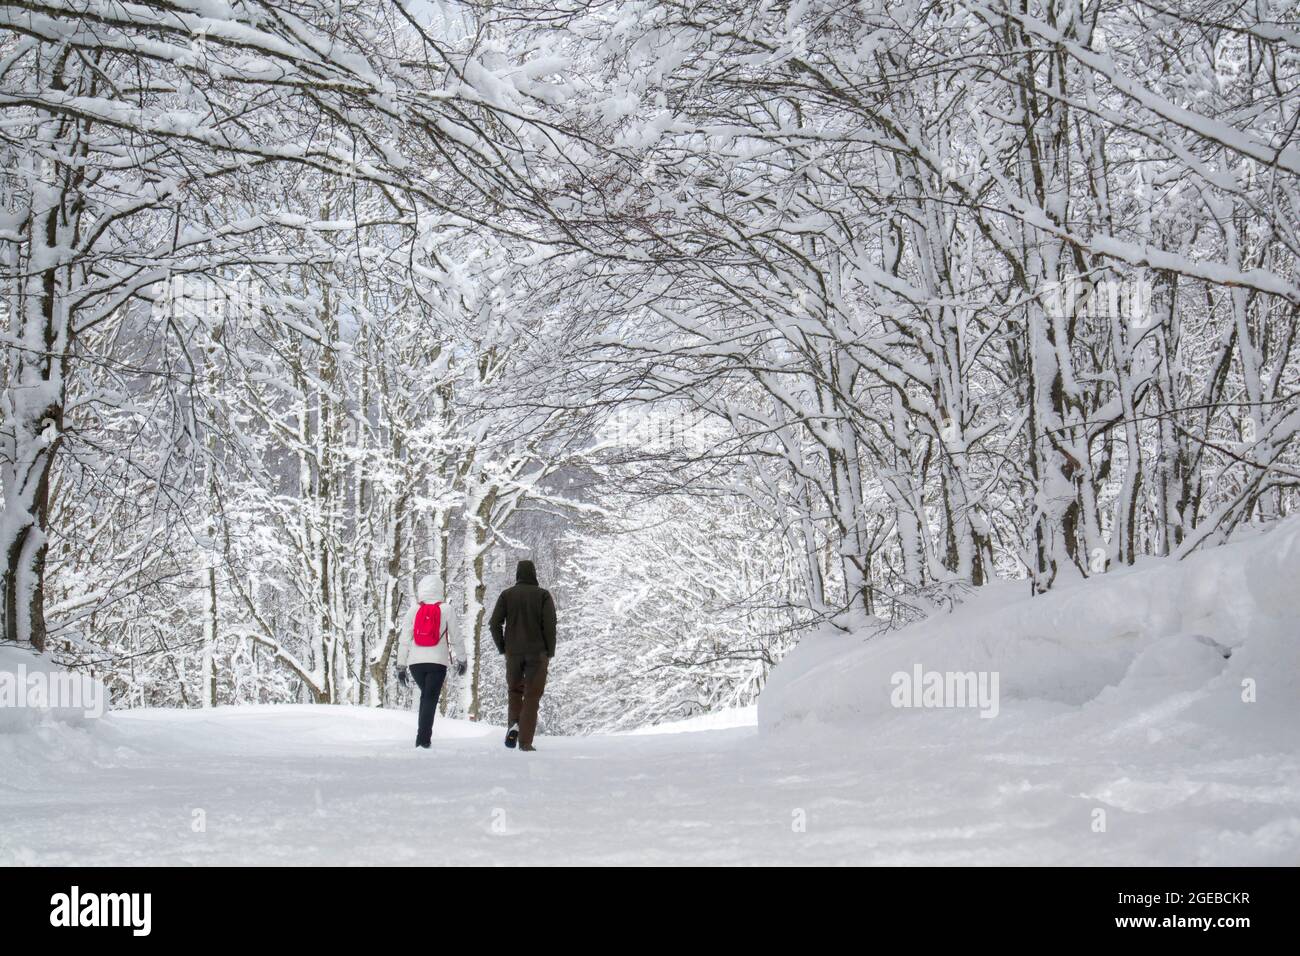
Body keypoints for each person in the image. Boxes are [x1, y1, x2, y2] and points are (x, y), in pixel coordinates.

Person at [488, 560, 556, 752]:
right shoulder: (543, 595)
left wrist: (503, 647)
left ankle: (514, 726)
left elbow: (494, 624)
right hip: (537, 653)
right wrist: (549, 651)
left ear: (517, 575)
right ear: (534, 574)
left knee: (515, 691)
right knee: (532, 695)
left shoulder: (507, 595)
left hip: (513, 653)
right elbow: (550, 625)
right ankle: (525, 742)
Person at [396, 574, 466, 748]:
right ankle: (423, 741)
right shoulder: (446, 609)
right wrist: (462, 660)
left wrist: (401, 666)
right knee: (429, 698)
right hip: (437, 662)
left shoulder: (414, 609)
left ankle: (423, 738)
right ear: (439, 589)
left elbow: (404, 640)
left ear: (422, 589)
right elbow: (456, 636)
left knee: (427, 697)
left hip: (415, 664)